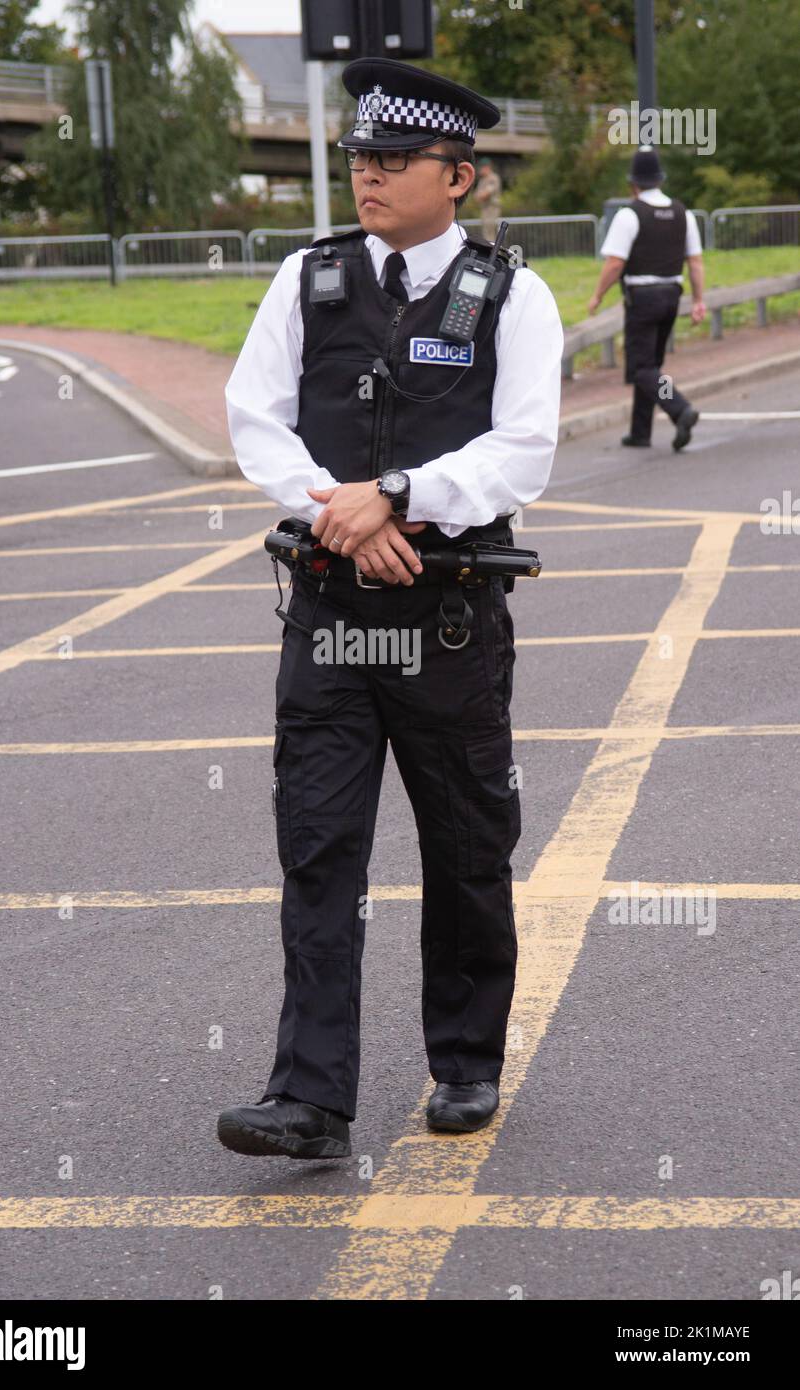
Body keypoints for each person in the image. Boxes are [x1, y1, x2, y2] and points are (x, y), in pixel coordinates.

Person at [219, 56, 563, 1161]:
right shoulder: (306, 279)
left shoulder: (512, 293)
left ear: (455, 176)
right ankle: (309, 1097)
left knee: (466, 846)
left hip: (448, 622)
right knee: (319, 849)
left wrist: (404, 497)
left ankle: (463, 1063)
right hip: (327, 610)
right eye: (358, 156)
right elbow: (254, 418)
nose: (365, 174)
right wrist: (344, 512)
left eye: (390, 158)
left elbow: (524, 448)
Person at [588, 146, 707, 451]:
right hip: (672, 296)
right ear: (660, 180)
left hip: (643, 298)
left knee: (642, 369)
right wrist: (698, 301)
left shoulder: (630, 214)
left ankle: (679, 409)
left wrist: (598, 295)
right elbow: (695, 262)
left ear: (634, 184)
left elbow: (615, 263)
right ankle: (640, 432)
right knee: (650, 365)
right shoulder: (684, 213)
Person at [474, 157, 502, 242]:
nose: (479, 170)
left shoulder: (493, 178)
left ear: (487, 167)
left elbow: (485, 194)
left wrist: (480, 195)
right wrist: (480, 196)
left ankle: (494, 254)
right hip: (485, 209)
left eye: (481, 167)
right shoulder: (482, 180)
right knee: (487, 235)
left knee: (491, 236)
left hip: (492, 210)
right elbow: (476, 196)